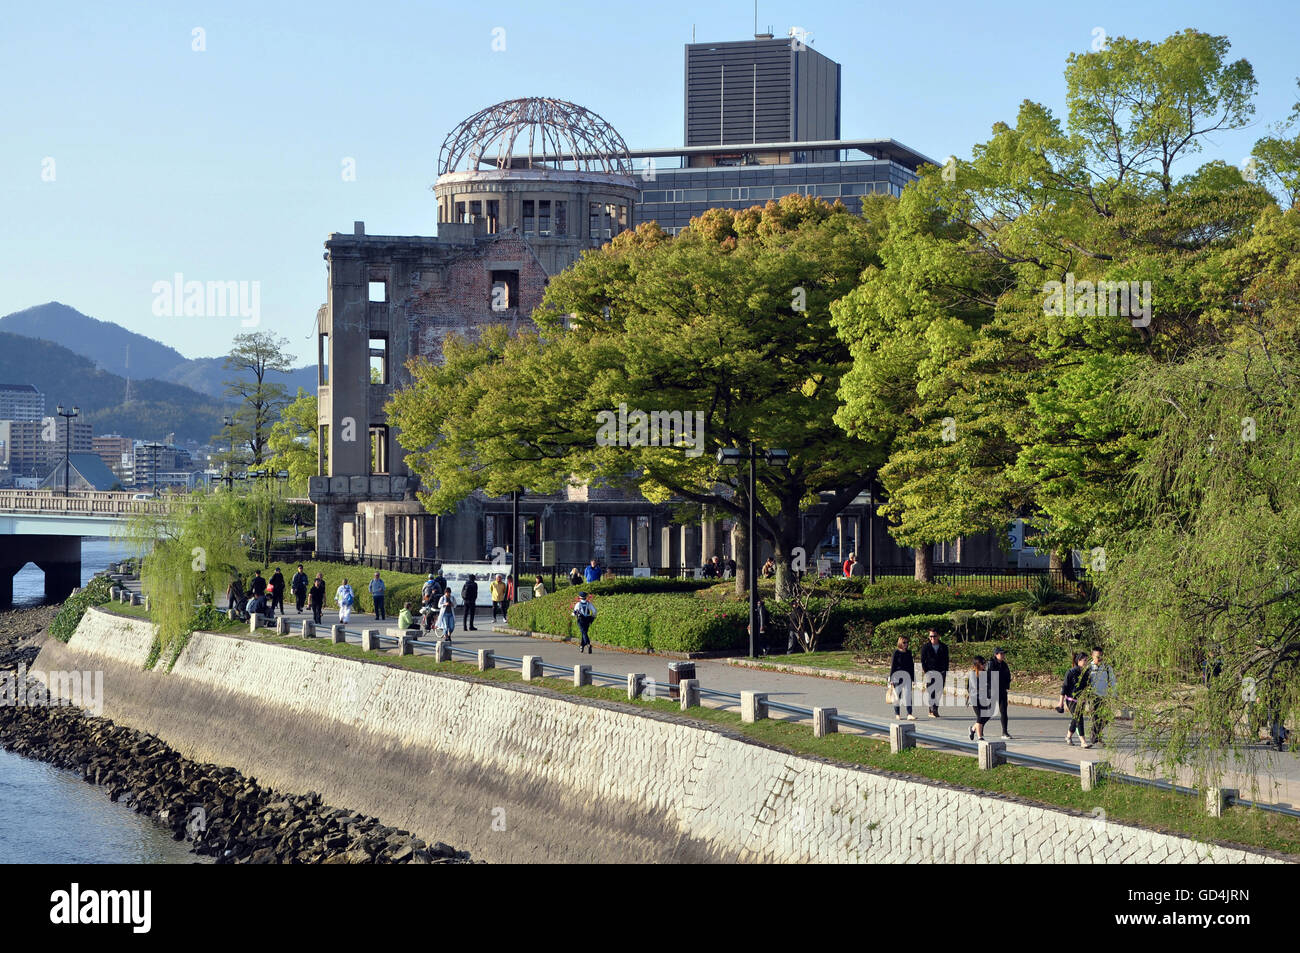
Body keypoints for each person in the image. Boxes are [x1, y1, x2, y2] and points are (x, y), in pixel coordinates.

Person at [1083, 647, 1115, 749]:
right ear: (1092, 656)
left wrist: (1114, 695)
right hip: (1093, 696)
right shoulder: (1088, 668)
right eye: (1097, 657)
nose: (1099, 658)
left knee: (1107, 716)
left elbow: (1113, 681)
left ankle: (1095, 735)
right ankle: (1097, 738)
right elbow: (1084, 682)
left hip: (1104, 696)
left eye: (1101, 656)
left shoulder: (1107, 667)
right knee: (1096, 718)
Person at [1058, 652, 1090, 745]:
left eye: (1086, 660)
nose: (1086, 662)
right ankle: (1083, 741)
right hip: (1071, 700)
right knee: (1079, 718)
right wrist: (1061, 702)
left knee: (1075, 719)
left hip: (1082, 700)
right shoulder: (1071, 672)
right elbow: (1064, 687)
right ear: (1079, 661)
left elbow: (1088, 686)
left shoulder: (1086, 672)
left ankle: (1068, 736)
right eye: (1084, 660)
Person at [920, 627, 949, 718]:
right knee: (931, 690)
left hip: (941, 671)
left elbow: (947, 659)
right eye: (930, 636)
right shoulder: (925, 647)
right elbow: (922, 660)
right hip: (930, 671)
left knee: (939, 691)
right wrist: (926, 671)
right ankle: (933, 708)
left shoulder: (944, 647)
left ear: (939, 636)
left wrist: (945, 670)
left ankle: (934, 707)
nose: (932, 638)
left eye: (934, 636)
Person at [968, 656, 995, 741]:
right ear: (977, 664)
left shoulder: (985, 673)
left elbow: (990, 684)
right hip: (975, 698)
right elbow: (976, 686)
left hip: (984, 697)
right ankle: (980, 737)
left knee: (988, 714)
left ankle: (973, 729)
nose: (984, 665)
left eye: (985, 663)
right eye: (982, 663)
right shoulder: (973, 673)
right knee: (980, 716)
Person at [889, 636, 916, 720]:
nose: (906, 644)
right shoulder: (896, 653)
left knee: (908, 695)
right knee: (898, 696)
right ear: (900, 643)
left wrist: (913, 678)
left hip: (907, 677)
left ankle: (909, 713)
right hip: (897, 677)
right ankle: (897, 714)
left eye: (907, 642)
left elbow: (911, 666)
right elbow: (893, 666)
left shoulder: (909, 653)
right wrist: (891, 678)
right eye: (904, 642)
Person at [990, 647, 1013, 739]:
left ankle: (1005, 732)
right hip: (992, 691)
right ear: (996, 654)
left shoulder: (1004, 664)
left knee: (1004, 712)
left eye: (1004, 653)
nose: (1003, 655)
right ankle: (978, 729)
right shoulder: (990, 664)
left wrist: (1007, 685)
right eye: (1001, 654)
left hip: (1002, 691)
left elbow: (1008, 675)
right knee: (987, 713)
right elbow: (988, 677)